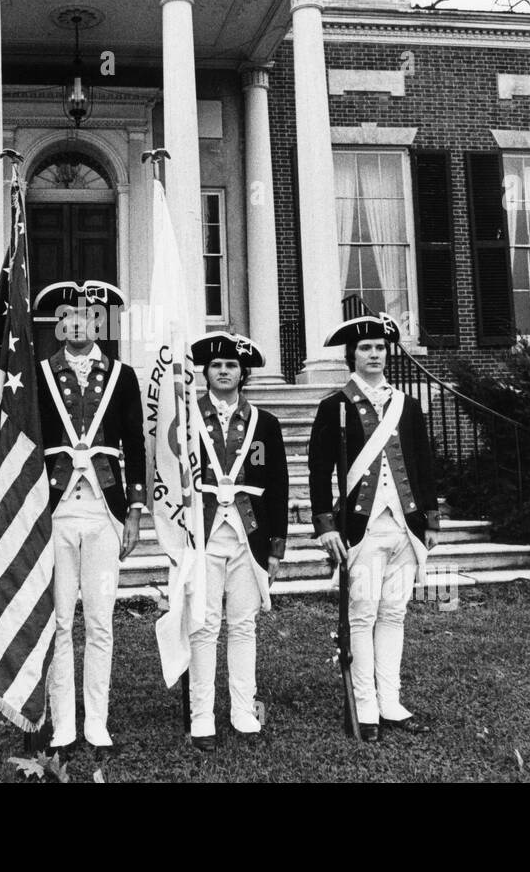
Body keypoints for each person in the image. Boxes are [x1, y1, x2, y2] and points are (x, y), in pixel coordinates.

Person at [307, 314, 440, 743]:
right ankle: (365, 706)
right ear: (352, 355)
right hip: (361, 529)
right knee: (362, 616)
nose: (374, 354)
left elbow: (423, 462)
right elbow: (318, 471)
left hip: (405, 527)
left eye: (380, 347)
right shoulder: (334, 406)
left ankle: (391, 702)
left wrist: (430, 518)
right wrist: (325, 525)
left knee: (394, 614)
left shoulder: (406, 405)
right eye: (365, 348)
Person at [33, 280, 146, 756]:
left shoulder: (122, 375)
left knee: (100, 621)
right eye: (68, 316)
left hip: (104, 509)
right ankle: (63, 724)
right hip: (56, 509)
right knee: (60, 621)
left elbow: (135, 443)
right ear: (58, 325)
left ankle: (96, 722)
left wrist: (134, 511)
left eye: (86, 316)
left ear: (100, 323)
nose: (77, 323)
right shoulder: (39, 374)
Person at [187, 332, 289, 751]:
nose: (224, 371)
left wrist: (276, 546)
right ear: (205, 372)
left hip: (250, 533)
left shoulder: (265, 423)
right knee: (204, 624)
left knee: (243, 624)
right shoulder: (188, 417)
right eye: (216, 365)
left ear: (242, 373)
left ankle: (244, 710)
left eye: (231, 365)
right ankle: (201, 715)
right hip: (204, 533)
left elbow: (277, 486)